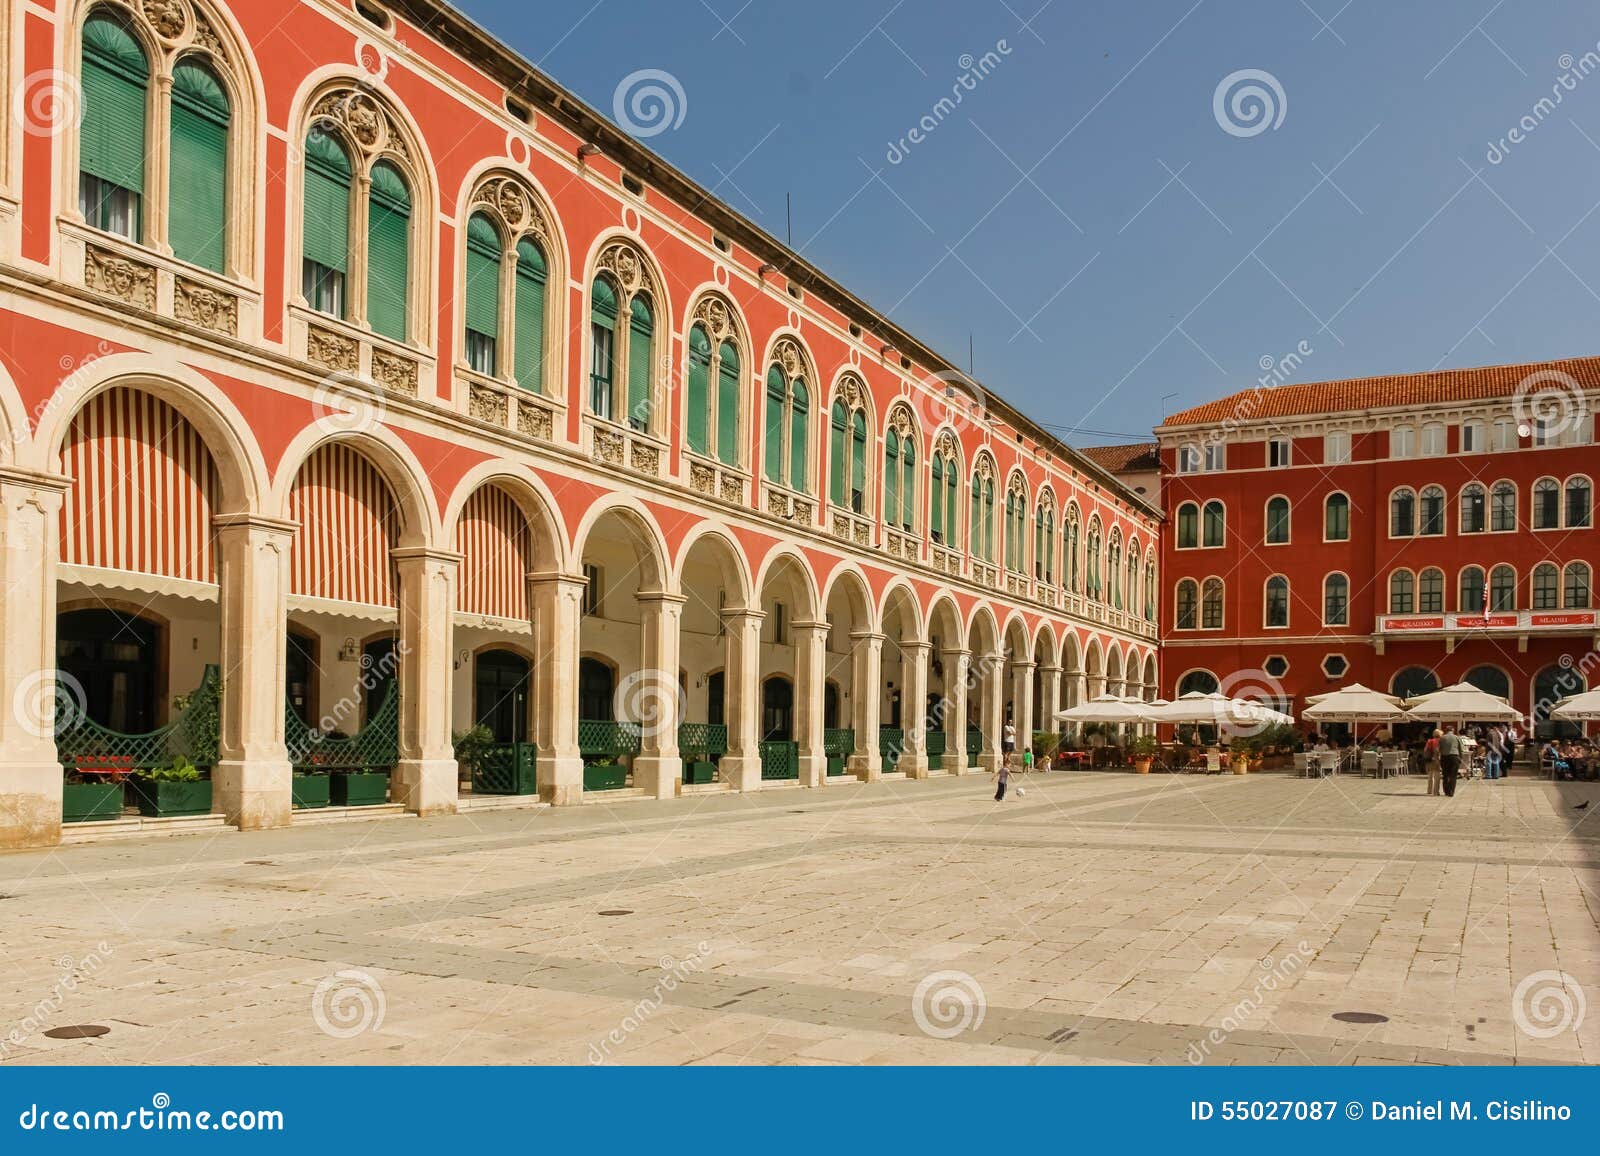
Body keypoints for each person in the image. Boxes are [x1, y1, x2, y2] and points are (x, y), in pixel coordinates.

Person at [1437, 724, 1465, 797]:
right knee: (1453, 775)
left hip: (1444, 757)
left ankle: (1446, 791)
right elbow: (1461, 749)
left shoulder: (1442, 738)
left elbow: (1438, 749)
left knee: (1445, 775)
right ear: (1453, 730)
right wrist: (1460, 758)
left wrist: (1439, 758)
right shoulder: (1457, 737)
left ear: (1446, 730)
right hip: (1454, 757)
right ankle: (1451, 791)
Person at [1424, 731, 1442, 796]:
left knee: (1430, 775)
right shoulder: (1441, 741)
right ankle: (1436, 791)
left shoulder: (1430, 741)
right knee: (1437, 776)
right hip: (1437, 759)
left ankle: (1429, 790)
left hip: (1430, 759)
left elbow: (1425, 750)